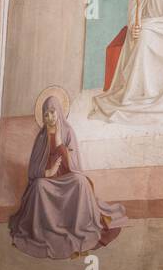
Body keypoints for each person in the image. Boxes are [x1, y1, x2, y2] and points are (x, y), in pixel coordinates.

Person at [9, 89, 127, 259]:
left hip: (67, 178)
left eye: (52, 112)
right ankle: (48, 228)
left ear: (59, 112)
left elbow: (75, 165)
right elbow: (33, 170)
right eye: (46, 113)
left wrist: (59, 143)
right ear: (42, 116)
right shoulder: (41, 138)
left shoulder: (68, 132)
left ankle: (77, 224)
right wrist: (46, 171)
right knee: (38, 186)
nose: (49, 117)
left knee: (81, 182)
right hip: (48, 181)